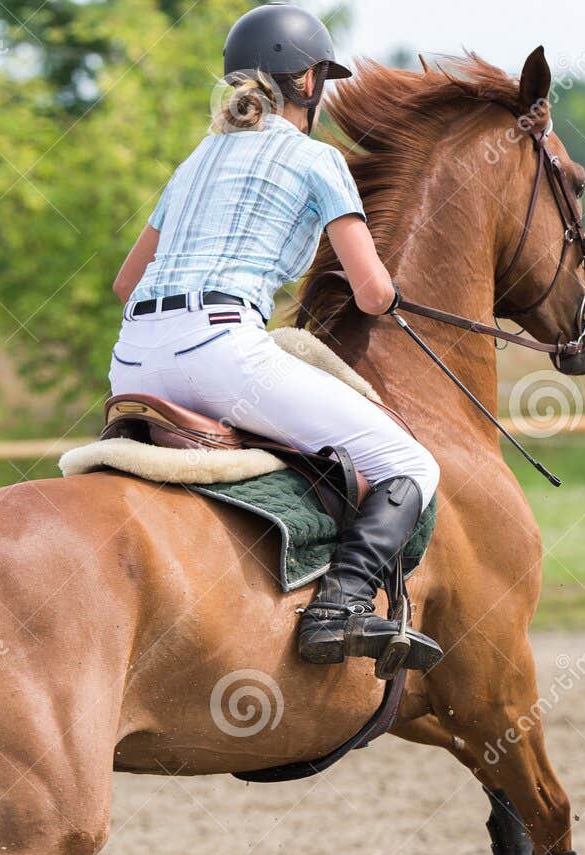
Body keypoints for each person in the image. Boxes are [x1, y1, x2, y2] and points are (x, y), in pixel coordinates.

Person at [108, 4, 440, 675]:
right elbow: (372, 292)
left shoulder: (195, 159)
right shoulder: (317, 158)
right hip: (222, 353)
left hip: (133, 360)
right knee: (413, 467)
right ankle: (339, 606)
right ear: (308, 83)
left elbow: (125, 282)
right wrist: (392, 296)